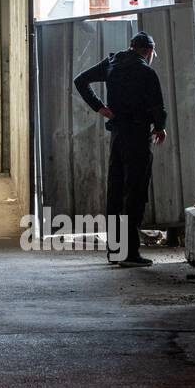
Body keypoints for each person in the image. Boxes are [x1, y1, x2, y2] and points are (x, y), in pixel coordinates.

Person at [73, 31, 168, 267]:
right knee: (134, 192)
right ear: (148, 51)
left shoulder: (112, 63)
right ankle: (130, 254)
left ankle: (115, 251)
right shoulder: (146, 71)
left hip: (118, 135)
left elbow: (80, 80)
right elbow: (158, 105)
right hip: (137, 136)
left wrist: (100, 107)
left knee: (116, 190)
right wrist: (160, 127)